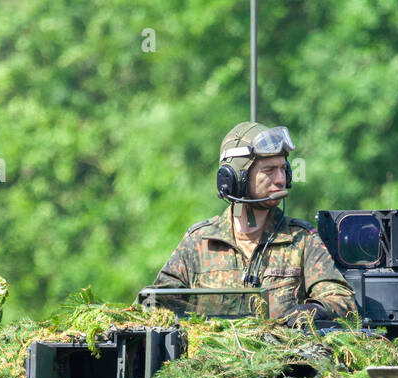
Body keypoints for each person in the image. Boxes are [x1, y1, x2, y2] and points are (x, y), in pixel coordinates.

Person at [148, 122, 357, 323]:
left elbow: (342, 299)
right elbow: (153, 306)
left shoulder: (301, 239)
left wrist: (314, 309)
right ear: (236, 178)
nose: (280, 179)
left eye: (283, 169)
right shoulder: (200, 243)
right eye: (269, 171)